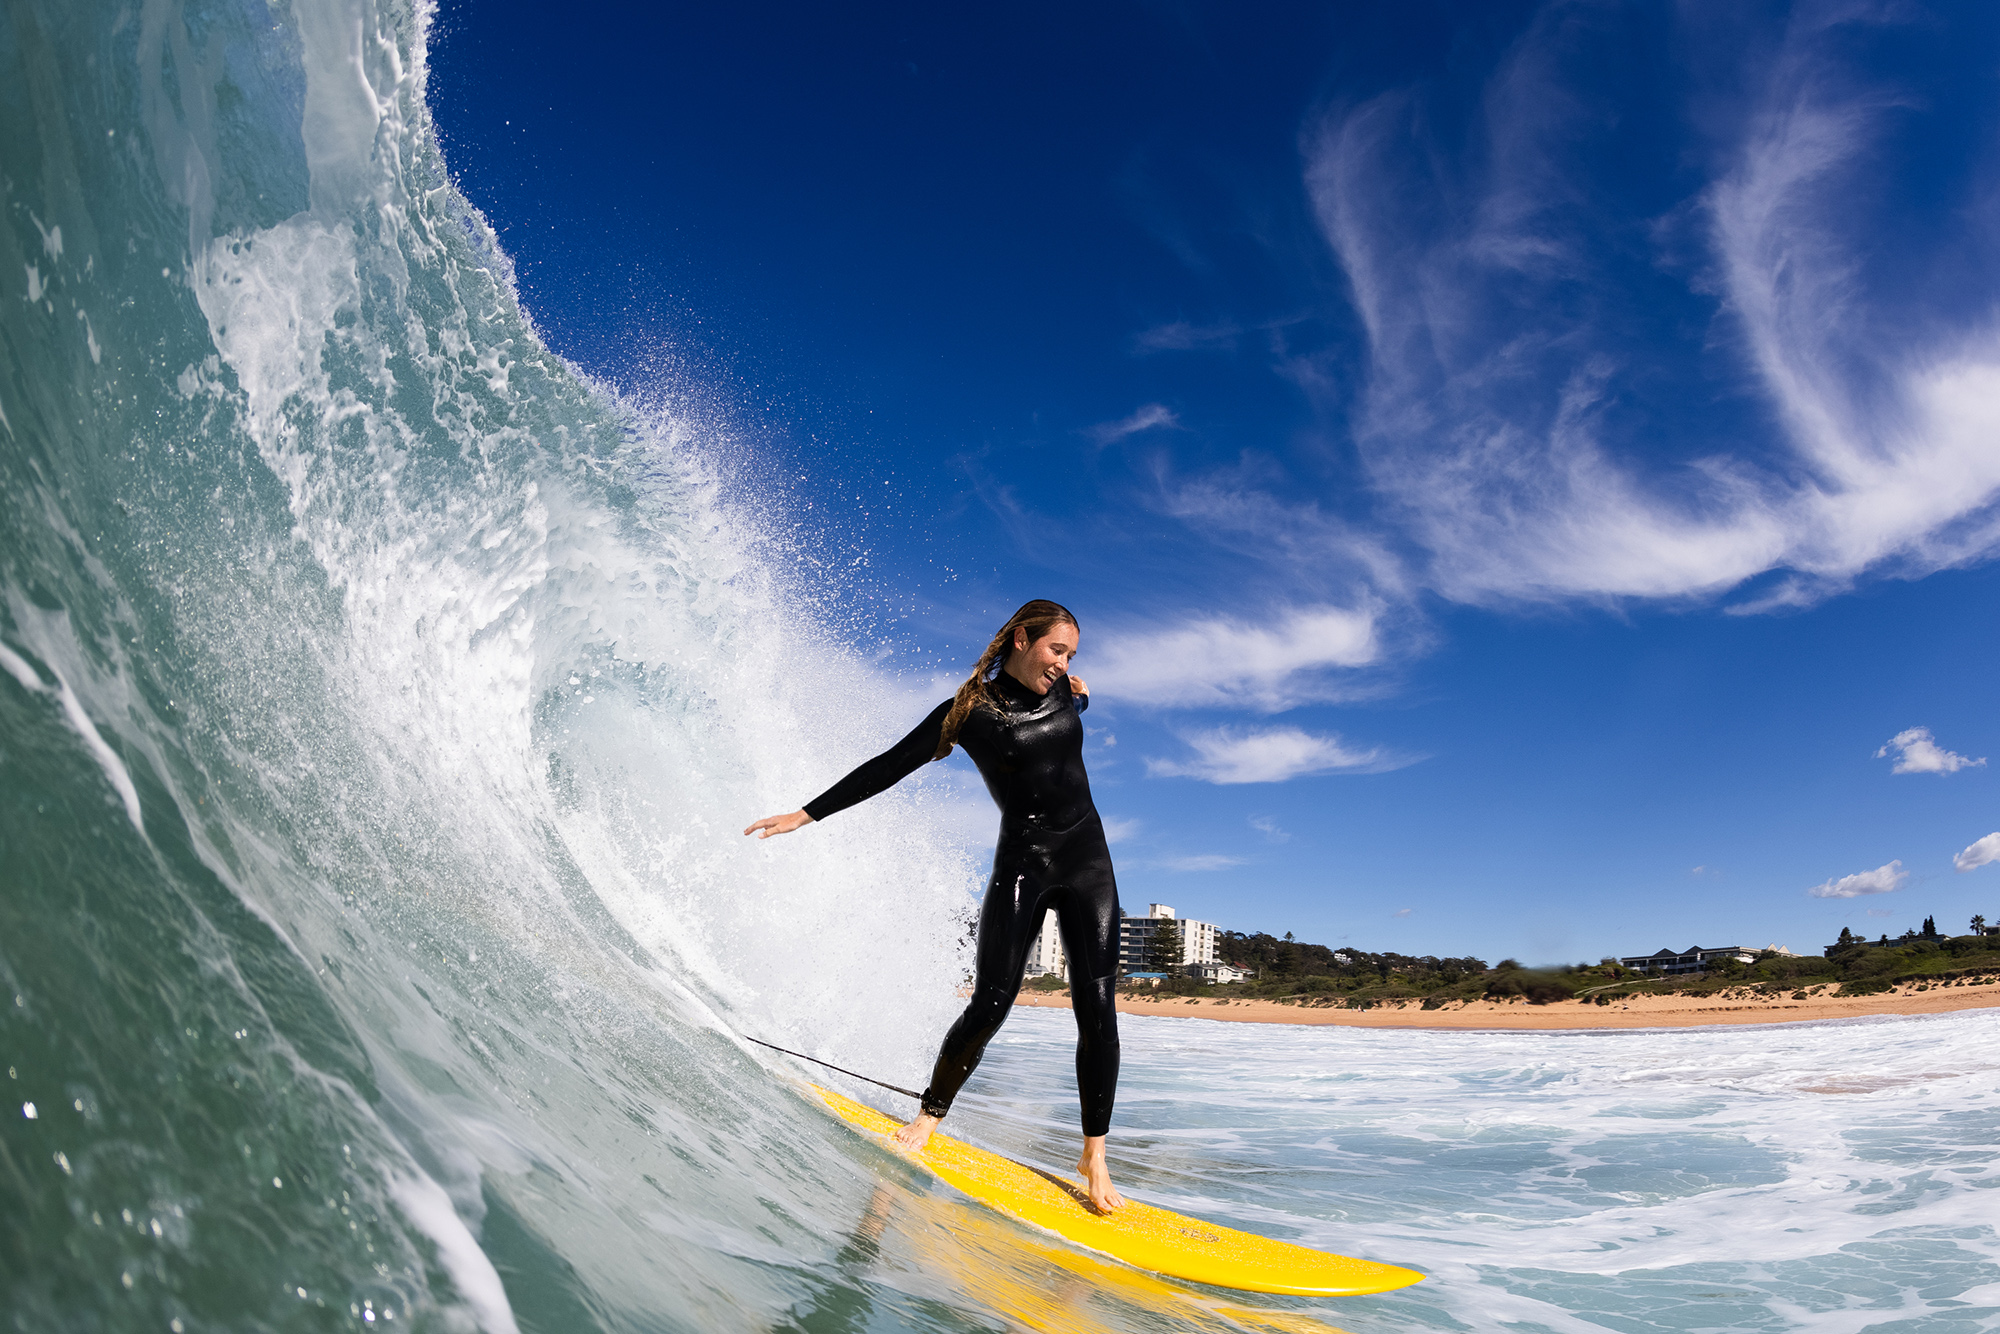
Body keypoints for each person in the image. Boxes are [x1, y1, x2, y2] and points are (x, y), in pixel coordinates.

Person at [744, 599, 1126, 1212]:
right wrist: (806, 813)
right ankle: (929, 1117)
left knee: (1098, 1007)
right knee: (992, 1002)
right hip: (1024, 862)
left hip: (1089, 861)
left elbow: (1076, 702)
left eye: (1072, 657)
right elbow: (891, 765)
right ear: (1022, 640)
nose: (1064, 665)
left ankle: (1094, 1155)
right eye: (1057, 650)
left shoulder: (1065, 693)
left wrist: (1080, 691)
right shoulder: (967, 713)